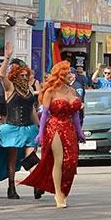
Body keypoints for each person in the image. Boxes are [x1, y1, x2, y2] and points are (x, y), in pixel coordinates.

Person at [21, 61, 83, 209]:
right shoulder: (50, 91)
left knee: (71, 162)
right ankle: (58, 193)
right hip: (54, 127)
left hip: (69, 128)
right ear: (60, 75)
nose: (71, 75)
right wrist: (40, 133)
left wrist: (79, 132)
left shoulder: (72, 91)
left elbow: (75, 115)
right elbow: (44, 115)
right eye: (67, 72)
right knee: (59, 160)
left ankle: (63, 188)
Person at [0, 45, 40, 198]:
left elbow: (32, 110)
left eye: (27, 75)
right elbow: (1, 75)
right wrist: (7, 58)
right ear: (16, 76)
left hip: (28, 128)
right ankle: (11, 187)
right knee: (11, 159)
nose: (25, 78)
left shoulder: (29, 91)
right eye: (22, 75)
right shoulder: (10, 88)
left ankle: (37, 184)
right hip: (12, 128)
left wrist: (40, 128)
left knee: (32, 157)